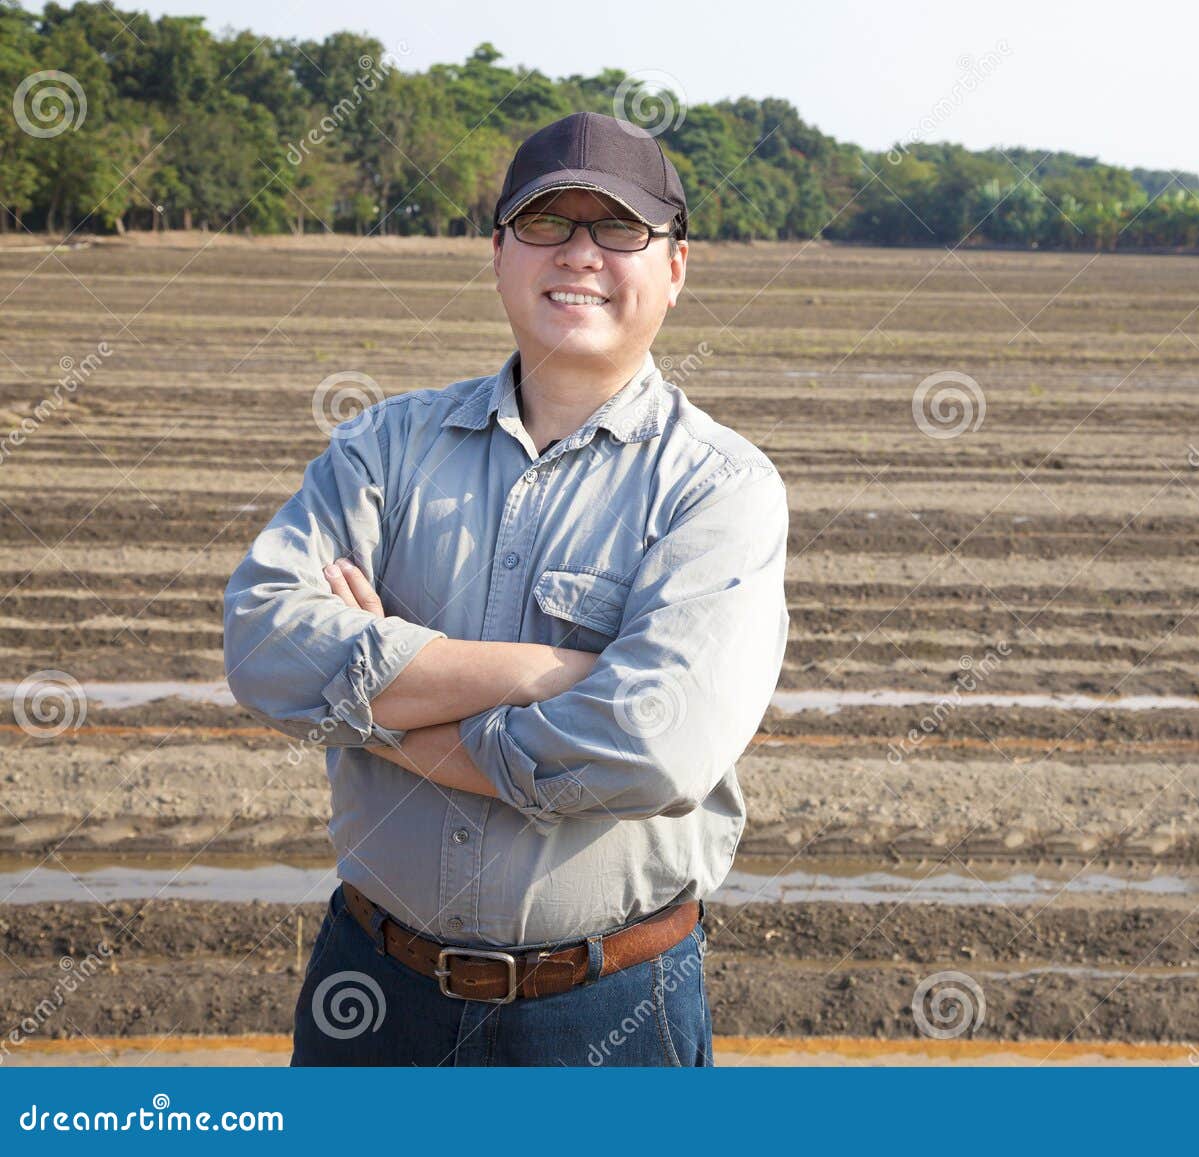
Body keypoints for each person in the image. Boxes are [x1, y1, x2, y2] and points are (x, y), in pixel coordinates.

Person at [221, 111, 790, 1066]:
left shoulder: (720, 488)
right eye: (545, 224)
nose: (579, 254)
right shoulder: (383, 448)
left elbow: (655, 745)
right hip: (373, 992)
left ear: (677, 265)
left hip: (606, 1015)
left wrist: (378, 713)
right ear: (497, 254)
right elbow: (265, 642)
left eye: (618, 228)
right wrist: (543, 669)